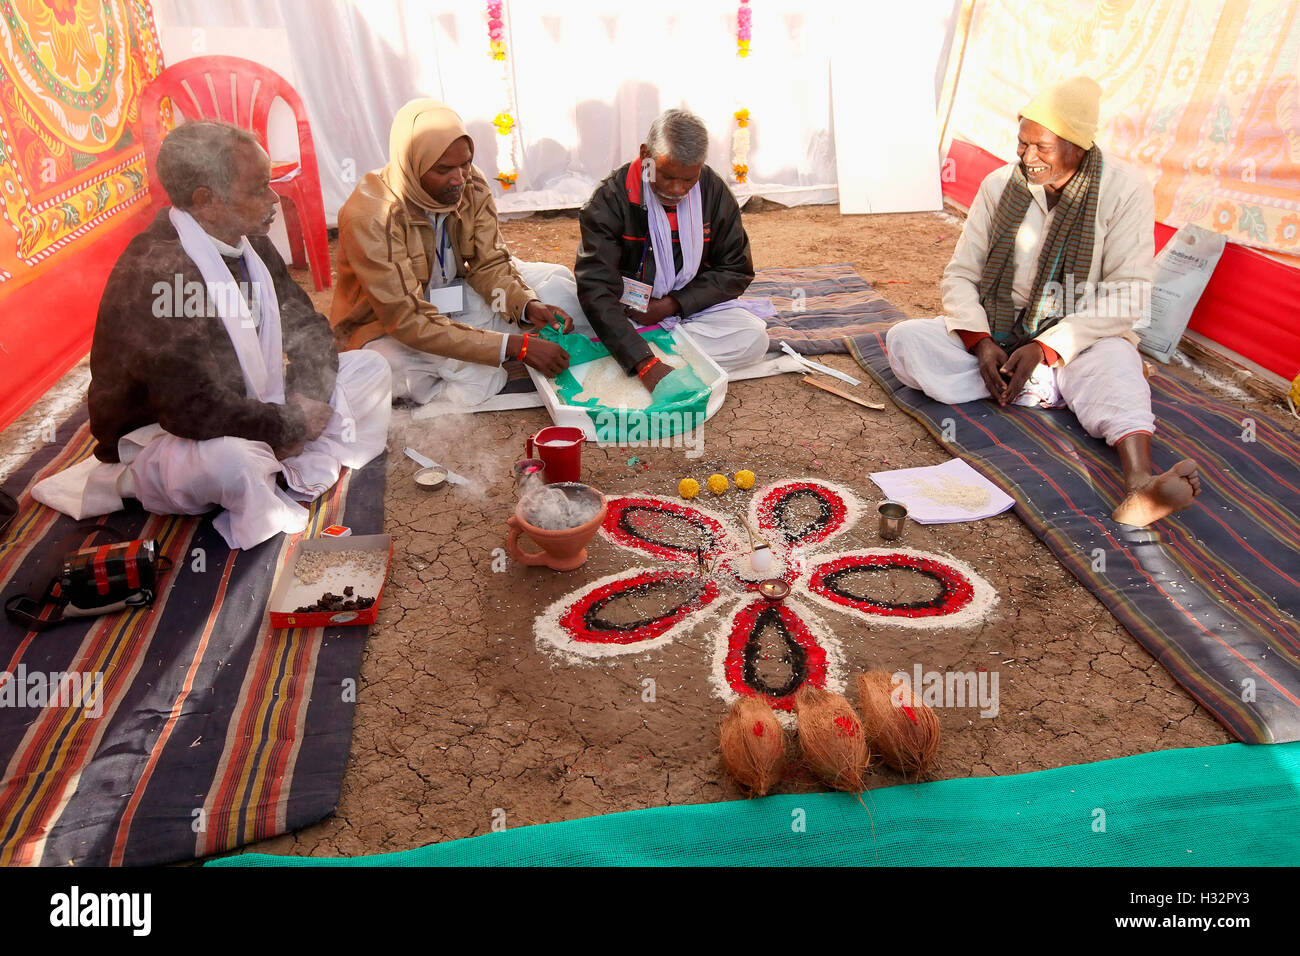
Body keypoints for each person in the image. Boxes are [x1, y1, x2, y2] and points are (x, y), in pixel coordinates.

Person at [32, 121, 391, 550]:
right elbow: (191, 410)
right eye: (259, 188)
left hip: (246, 407)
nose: (275, 198)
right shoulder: (160, 274)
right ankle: (135, 481)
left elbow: (307, 325)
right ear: (206, 201)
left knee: (370, 367)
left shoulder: (248, 240)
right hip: (166, 435)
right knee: (233, 463)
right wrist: (288, 422)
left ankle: (279, 459)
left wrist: (309, 396)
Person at [885, 76, 1200, 527]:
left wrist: (1046, 348)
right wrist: (981, 344)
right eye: (1022, 144)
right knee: (906, 340)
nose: (1028, 158)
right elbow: (961, 274)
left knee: (1116, 363)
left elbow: (1129, 293)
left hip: (1080, 339)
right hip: (1000, 329)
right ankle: (1044, 386)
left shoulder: (1124, 188)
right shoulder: (999, 185)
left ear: (1079, 146)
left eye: (1043, 148)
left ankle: (1139, 484)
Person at [332, 98, 583, 406]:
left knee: (556, 285)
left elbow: (487, 263)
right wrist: (514, 347)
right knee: (388, 366)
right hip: (391, 327)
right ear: (412, 164)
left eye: (465, 164)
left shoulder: (470, 182)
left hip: (453, 296)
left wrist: (526, 305)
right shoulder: (372, 215)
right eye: (443, 169)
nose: (459, 178)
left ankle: (488, 353)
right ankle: (475, 368)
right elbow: (408, 319)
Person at [575, 108, 771, 395]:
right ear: (645, 156)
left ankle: (633, 358)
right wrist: (644, 361)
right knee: (566, 305)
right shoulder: (610, 199)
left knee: (753, 338)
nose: (677, 189)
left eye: (689, 179)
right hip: (629, 311)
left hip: (690, 312)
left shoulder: (713, 191)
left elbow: (736, 270)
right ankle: (645, 356)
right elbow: (596, 287)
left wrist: (671, 305)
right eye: (667, 176)